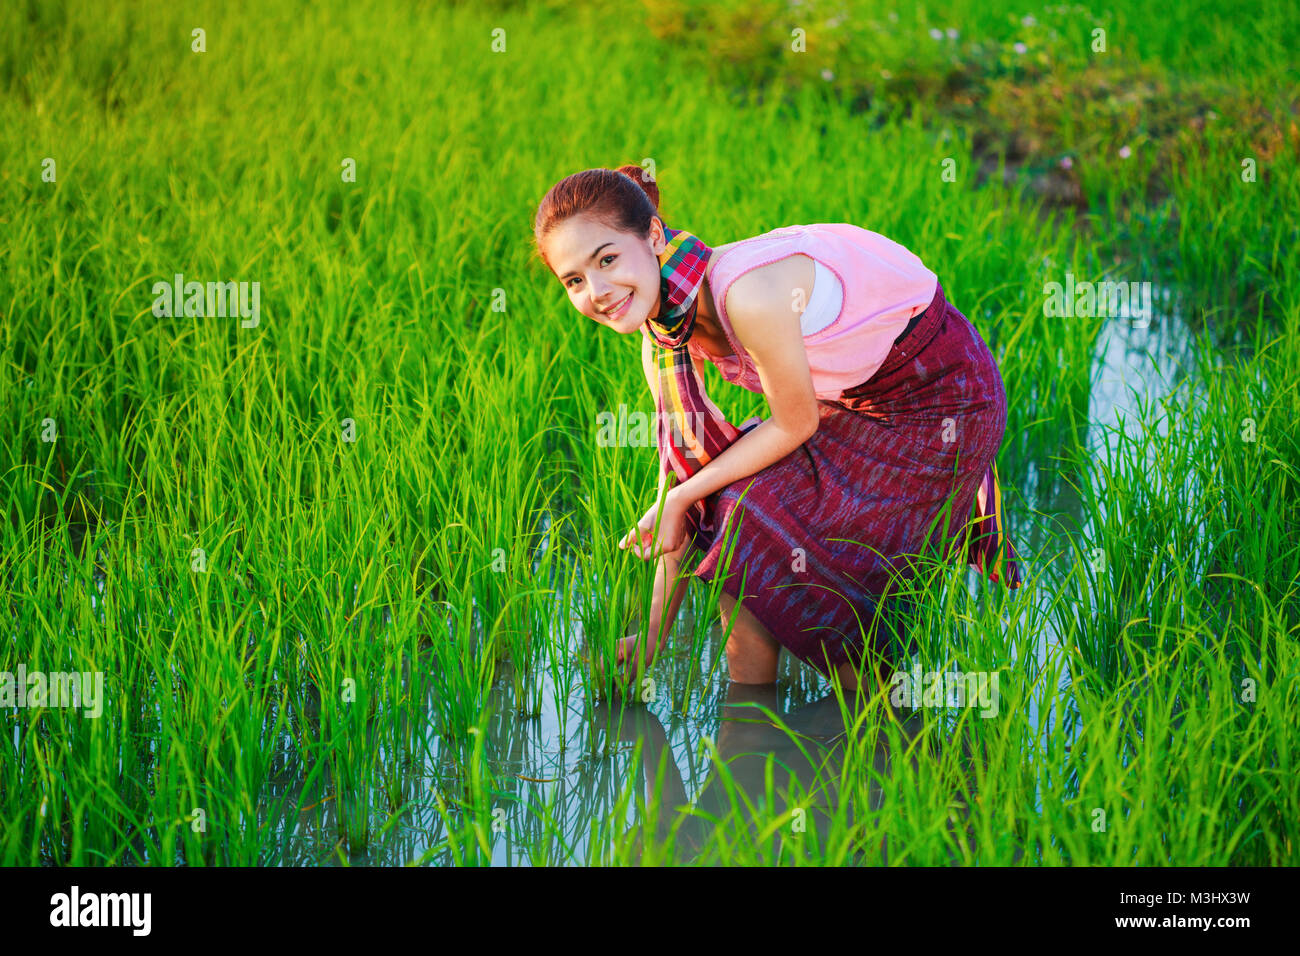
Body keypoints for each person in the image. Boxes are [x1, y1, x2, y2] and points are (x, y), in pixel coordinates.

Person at [533, 164, 1020, 694]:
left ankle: (881, 731)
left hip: (940, 398)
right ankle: (749, 730)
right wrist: (651, 634)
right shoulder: (665, 337)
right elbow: (691, 481)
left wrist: (681, 499)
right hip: (854, 398)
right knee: (737, 518)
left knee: (815, 555)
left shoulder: (748, 294)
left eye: (607, 259)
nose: (598, 290)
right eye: (575, 280)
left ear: (651, 235)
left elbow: (795, 423)